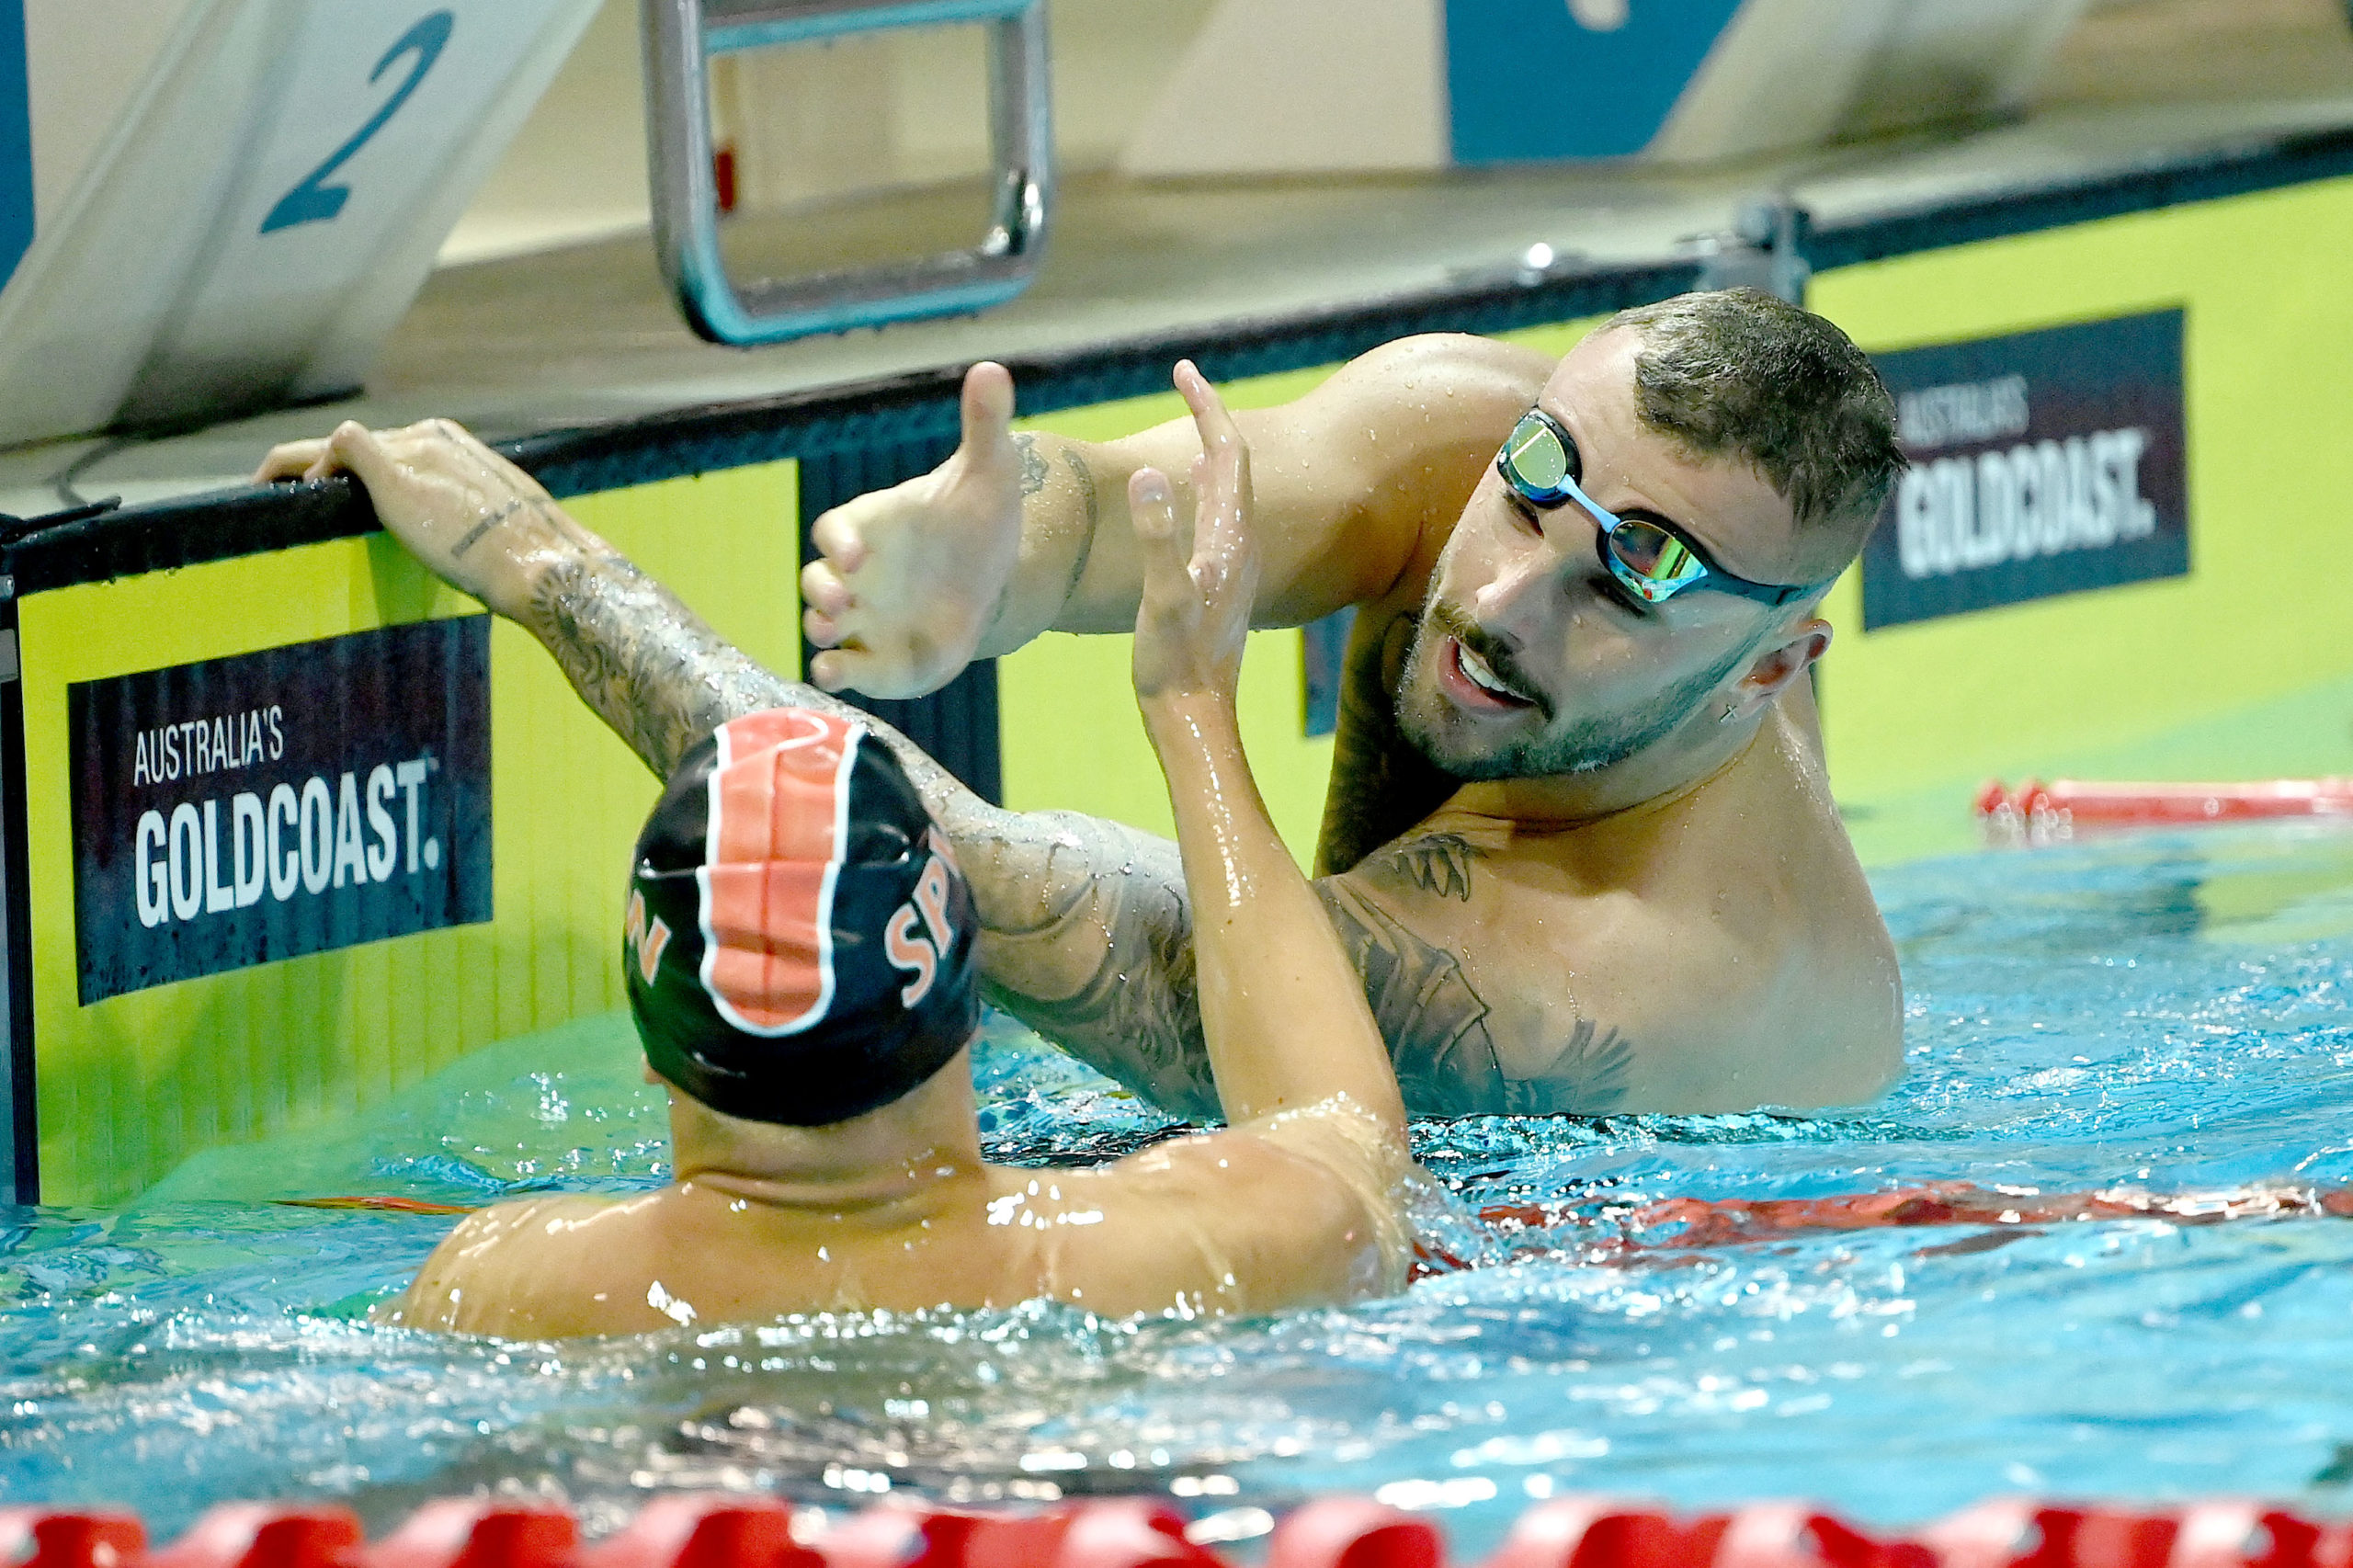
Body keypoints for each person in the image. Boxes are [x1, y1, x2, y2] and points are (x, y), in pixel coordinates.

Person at [259, 289, 1907, 1121]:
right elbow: (1154, 512)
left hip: (1556, 1304)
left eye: (1635, 580)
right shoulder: (1476, 440)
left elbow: (960, 868)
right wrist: (999, 554)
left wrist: (547, 565)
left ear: (1772, 668)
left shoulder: (1635, 982)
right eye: (1534, 485)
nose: (1508, 595)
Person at [380, 378, 1417, 1335]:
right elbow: (1346, 1136)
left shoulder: (500, 1286)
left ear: (653, 1033)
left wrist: (546, 564)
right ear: (968, 983)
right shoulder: (1196, 1249)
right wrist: (1191, 704)